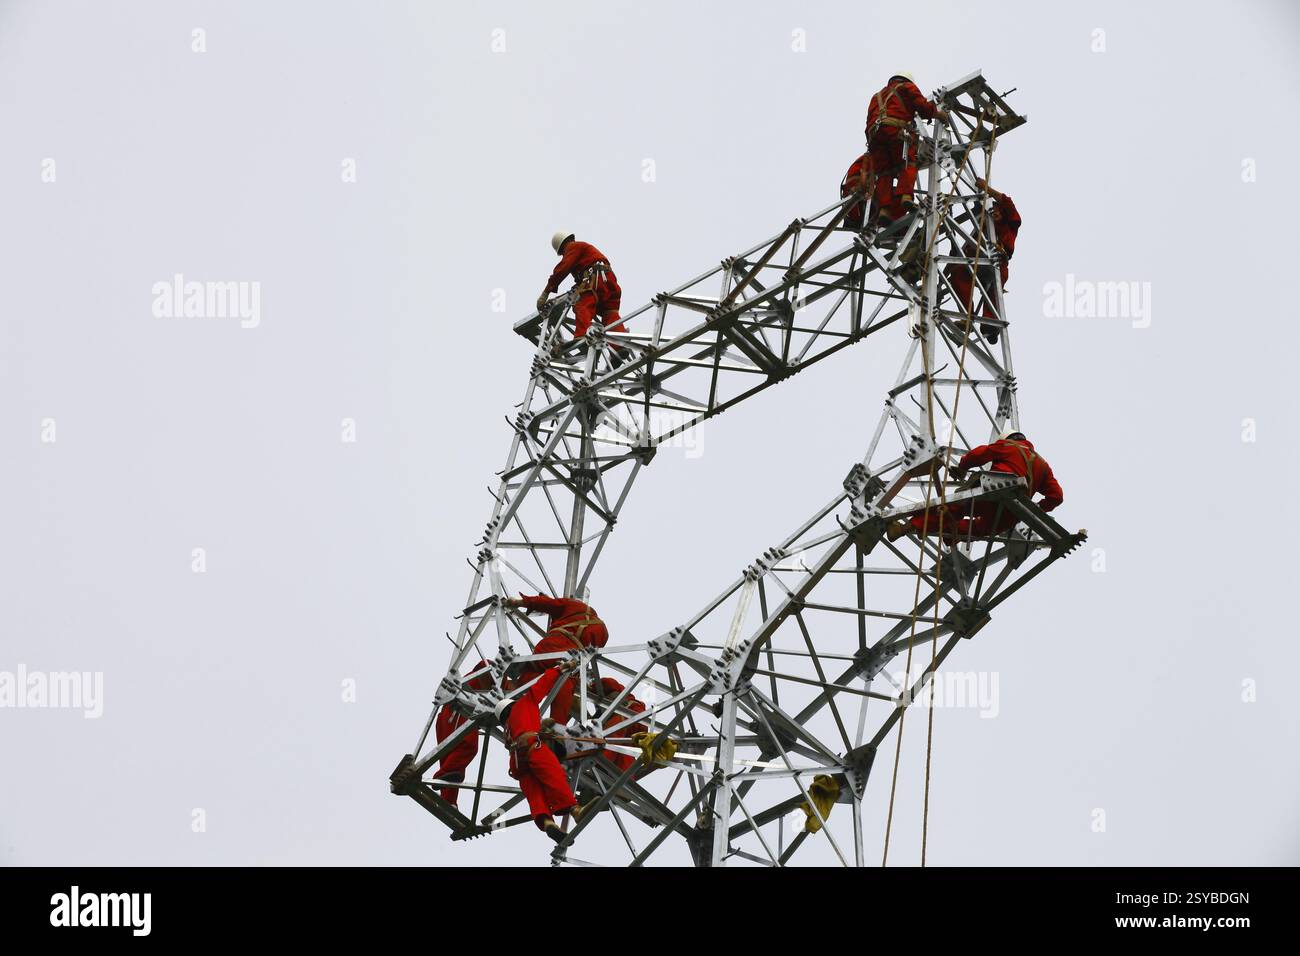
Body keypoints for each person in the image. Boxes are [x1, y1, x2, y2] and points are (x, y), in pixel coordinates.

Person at [887, 431, 1063, 541]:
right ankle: (950, 534)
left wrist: (963, 467)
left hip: (994, 491)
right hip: (1012, 512)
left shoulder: (1009, 446)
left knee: (954, 508)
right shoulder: (1043, 465)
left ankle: (906, 528)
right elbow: (1057, 496)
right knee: (980, 529)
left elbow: (980, 454)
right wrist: (1036, 509)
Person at [495, 663, 580, 843]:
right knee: (553, 776)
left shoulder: (508, 730)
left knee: (534, 794)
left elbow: (528, 728)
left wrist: (543, 725)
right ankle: (574, 810)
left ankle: (547, 822)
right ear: (512, 704)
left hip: (518, 762)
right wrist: (559, 669)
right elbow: (542, 685)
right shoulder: (524, 704)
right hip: (533, 748)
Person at [506, 593, 609, 723]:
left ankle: (511, 696)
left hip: (551, 649)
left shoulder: (573, 605)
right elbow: (592, 655)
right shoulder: (603, 632)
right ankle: (556, 726)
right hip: (572, 661)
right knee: (563, 685)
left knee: (528, 679)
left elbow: (548, 603)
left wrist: (519, 602)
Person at [944, 177, 1022, 343]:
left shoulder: (1009, 226)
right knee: (958, 276)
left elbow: (1007, 202)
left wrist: (987, 189)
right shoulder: (982, 228)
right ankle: (967, 318)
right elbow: (962, 251)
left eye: (999, 211)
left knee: (994, 289)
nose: (996, 213)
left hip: (998, 262)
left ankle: (990, 324)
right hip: (977, 261)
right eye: (994, 211)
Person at [864, 73, 950, 225]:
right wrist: (938, 114)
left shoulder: (876, 97)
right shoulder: (907, 87)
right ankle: (905, 196)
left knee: (884, 173)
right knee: (908, 163)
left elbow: (868, 121)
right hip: (896, 131)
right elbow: (923, 107)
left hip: (875, 137)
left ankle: (884, 210)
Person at [536, 233, 629, 342]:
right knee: (609, 313)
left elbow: (562, 269)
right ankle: (619, 347)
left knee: (582, 303)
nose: (563, 255)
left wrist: (546, 292)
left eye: (562, 253)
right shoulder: (584, 250)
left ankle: (581, 335)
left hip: (596, 278)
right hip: (608, 280)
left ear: (562, 247)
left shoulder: (572, 247)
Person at [432, 660, 492, 806]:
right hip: (458, 710)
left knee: (453, 764)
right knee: (468, 746)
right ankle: (440, 779)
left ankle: (449, 802)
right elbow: (486, 668)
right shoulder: (485, 672)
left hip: (449, 715)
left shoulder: (477, 679)